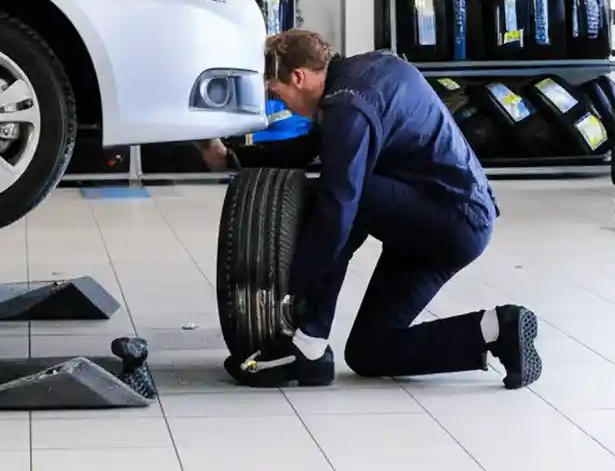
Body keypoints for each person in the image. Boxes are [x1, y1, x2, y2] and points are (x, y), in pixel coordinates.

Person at [201, 29, 541, 390]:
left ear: (298, 77)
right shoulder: (357, 79)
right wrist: (233, 158)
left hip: (452, 219)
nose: (278, 101)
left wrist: (299, 285)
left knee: (341, 198)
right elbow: (313, 147)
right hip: (438, 218)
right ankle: (497, 328)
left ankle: (308, 346)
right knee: (369, 351)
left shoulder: (349, 105)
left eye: (276, 91)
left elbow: (339, 207)